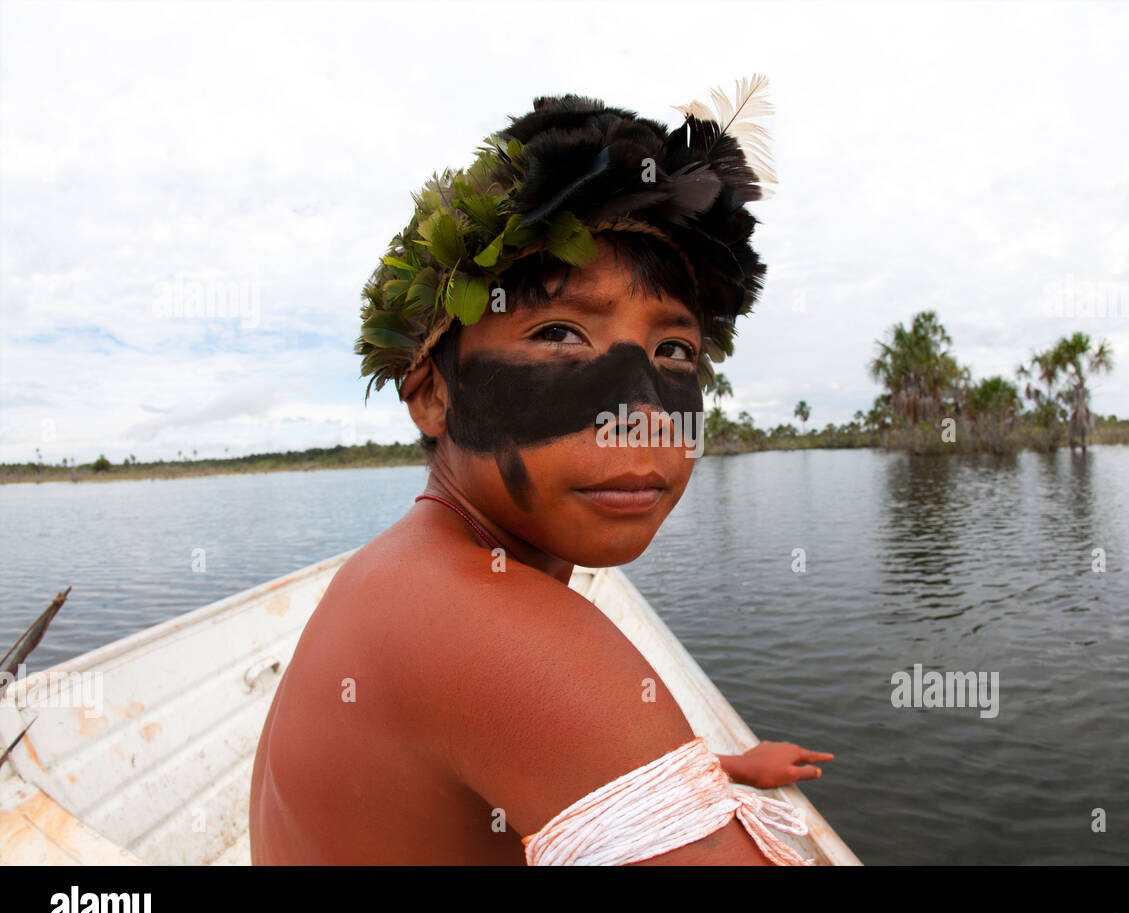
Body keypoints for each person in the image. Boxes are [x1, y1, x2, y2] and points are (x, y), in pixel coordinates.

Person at [249, 79, 834, 865]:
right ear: (431, 394)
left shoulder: (408, 576)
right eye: (560, 334)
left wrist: (720, 769)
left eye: (674, 351)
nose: (643, 413)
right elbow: (536, 711)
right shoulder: (489, 631)